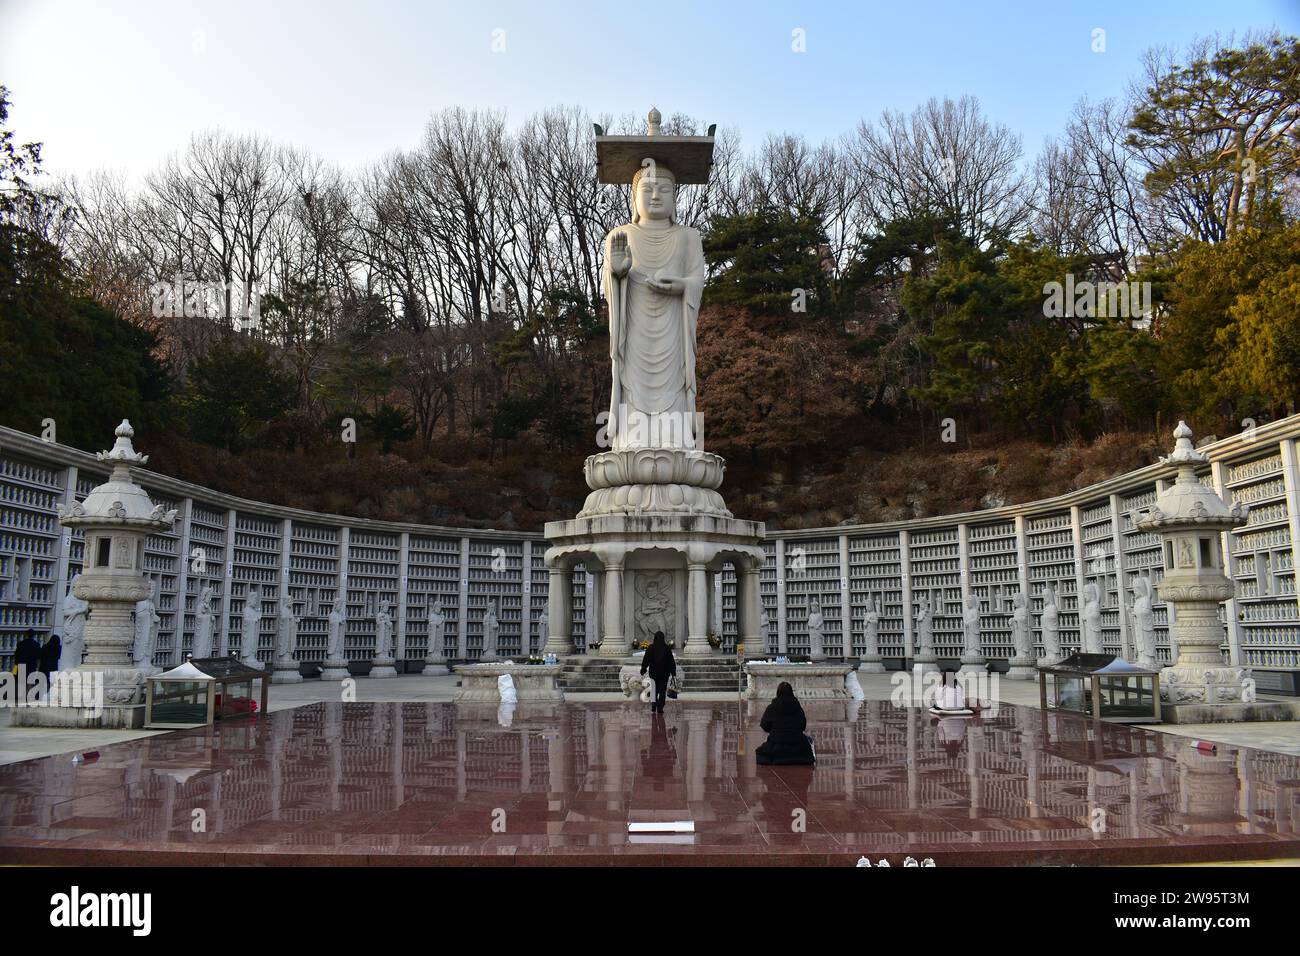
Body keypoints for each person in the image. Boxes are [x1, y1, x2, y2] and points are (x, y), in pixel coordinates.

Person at [755, 681, 815, 766]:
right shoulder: (797, 707)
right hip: (797, 742)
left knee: (762, 752)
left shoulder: (772, 707)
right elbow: (803, 725)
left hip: (777, 743)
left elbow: (764, 725)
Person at [639, 630, 676, 714]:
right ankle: (660, 707)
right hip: (664, 673)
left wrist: (643, 669)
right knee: (662, 690)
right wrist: (673, 672)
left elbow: (646, 660)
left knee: (654, 690)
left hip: (654, 673)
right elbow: (671, 661)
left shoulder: (651, 648)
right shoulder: (666, 648)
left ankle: (653, 706)